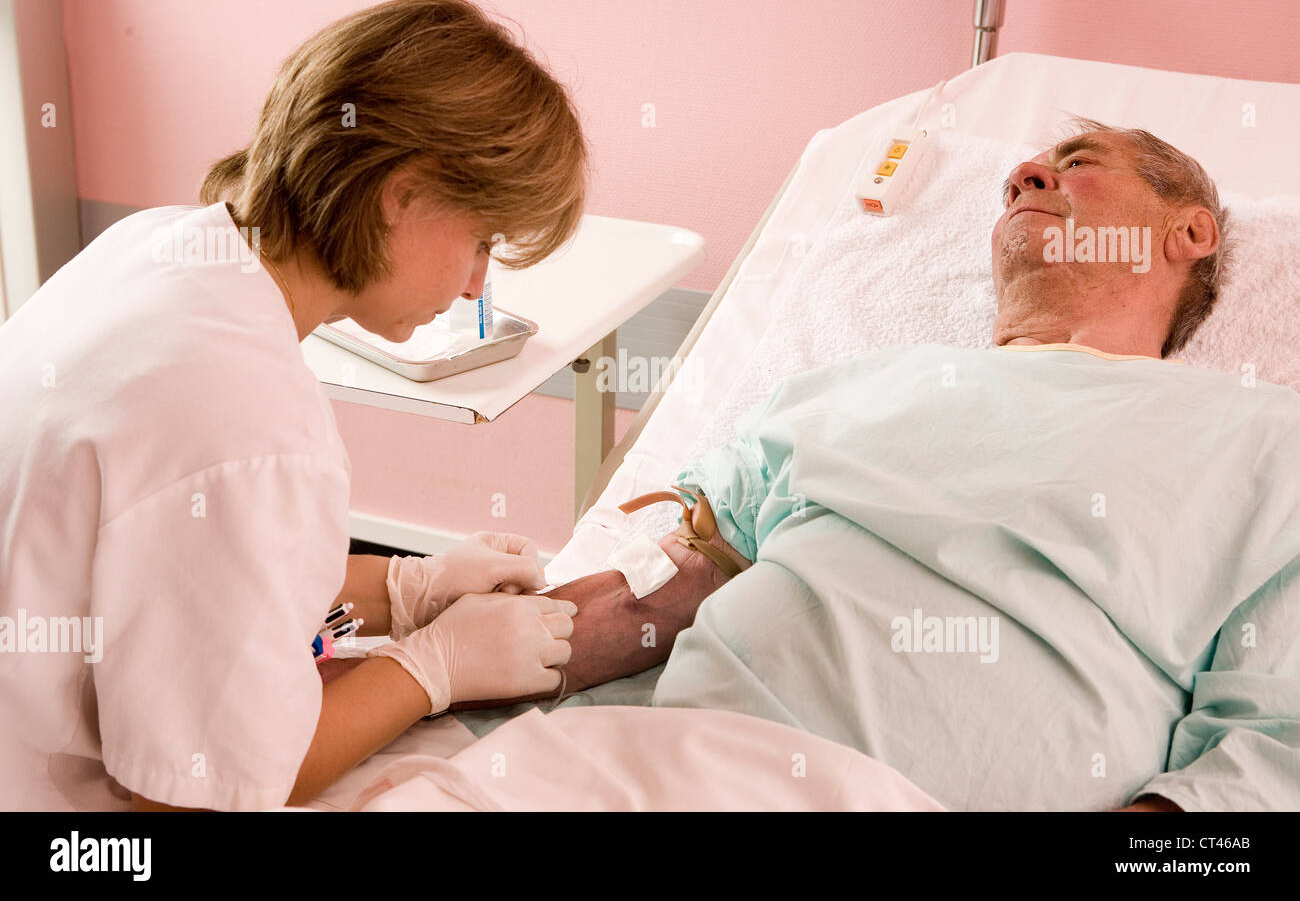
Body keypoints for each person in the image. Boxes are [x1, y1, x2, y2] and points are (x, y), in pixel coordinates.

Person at [449, 121, 1300, 811]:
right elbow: (652, 598)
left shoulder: (1266, 440)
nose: (1023, 178)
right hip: (675, 768)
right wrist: (425, 667)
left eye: (1075, 164)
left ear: (1190, 231)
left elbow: (1273, 750)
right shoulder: (849, 389)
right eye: (1021, 174)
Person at [0, 0, 589, 810]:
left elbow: (183, 573)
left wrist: (409, 588)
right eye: (482, 238)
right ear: (402, 193)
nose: (475, 285)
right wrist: (427, 672)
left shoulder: (164, 244)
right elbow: (188, 800)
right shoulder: (251, 426)